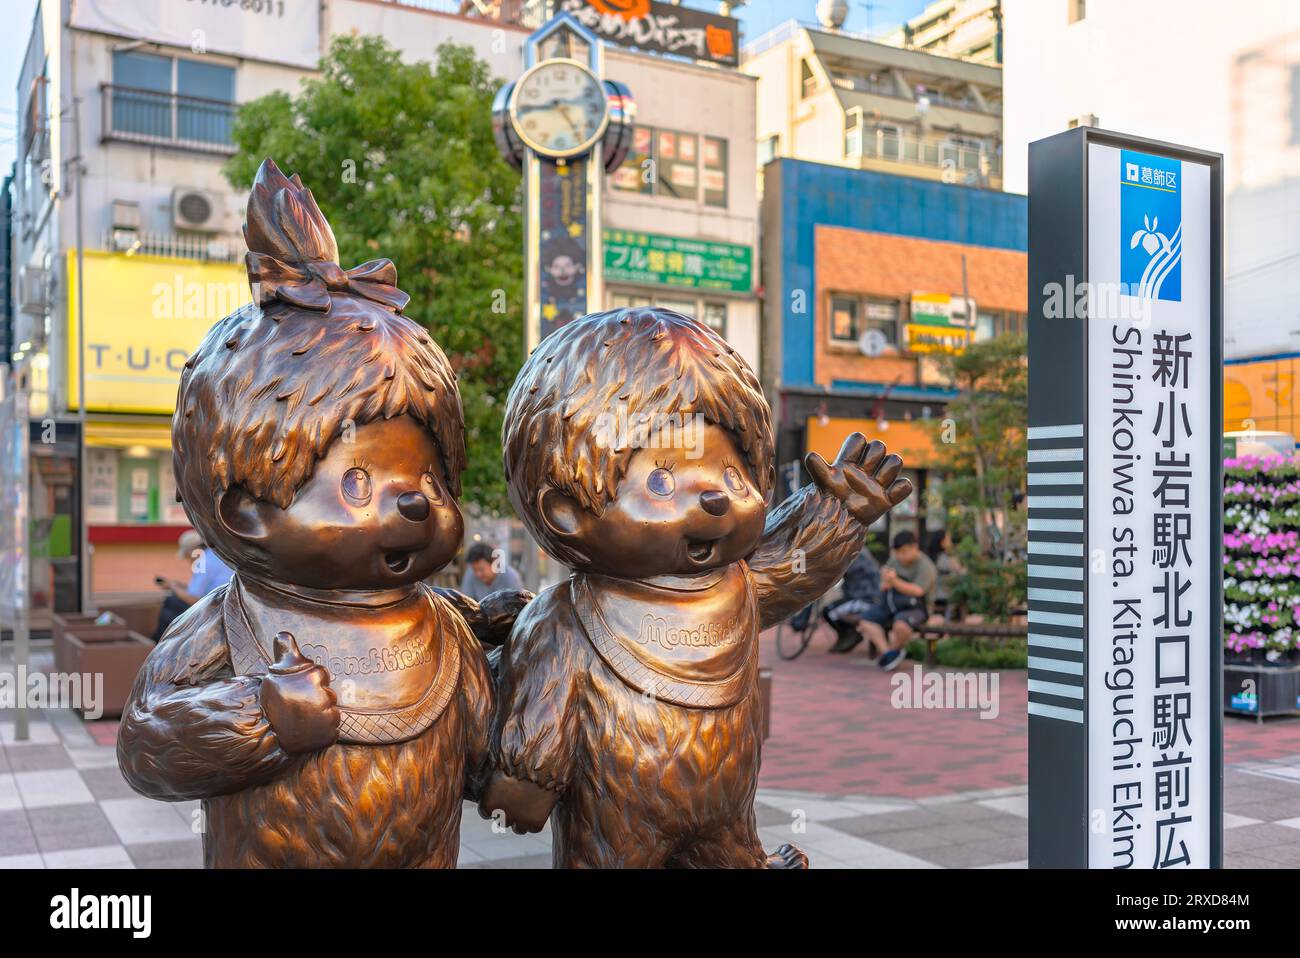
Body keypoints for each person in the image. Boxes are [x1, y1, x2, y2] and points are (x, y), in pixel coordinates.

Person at [853, 530, 937, 671]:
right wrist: (885, 582)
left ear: (915, 547)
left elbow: (918, 591)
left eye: (904, 552)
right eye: (898, 552)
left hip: (917, 608)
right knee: (865, 621)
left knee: (901, 626)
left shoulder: (925, 566)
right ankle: (888, 653)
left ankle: (893, 652)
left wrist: (894, 581)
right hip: (892, 604)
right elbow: (883, 586)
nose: (900, 556)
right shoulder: (894, 560)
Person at [151, 529, 235, 641]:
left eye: (186, 555)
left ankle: (158, 643)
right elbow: (202, 591)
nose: (188, 560)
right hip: (225, 606)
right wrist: (178, 586)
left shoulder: (203, 562)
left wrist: (173, 587)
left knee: (170, 604)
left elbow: (193, 598)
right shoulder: (215, 556)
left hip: (215, 610)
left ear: (193, 551)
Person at [823, 541, 882, 653]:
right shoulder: (857, 548)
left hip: (865, 598)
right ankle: (846, 637)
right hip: (860, 595)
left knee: (830, 612)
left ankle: (851, 635)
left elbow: (836, 572)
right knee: (828, 609)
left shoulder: (854, 552)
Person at [459, 541, 524, 602]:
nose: (478, 574)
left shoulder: (510, 577)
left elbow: (516, 606)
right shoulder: (470, 573)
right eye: (475, 570)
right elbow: (465, 602)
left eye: (481, 569)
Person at [924, 528, 964, 617]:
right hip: (941, 592)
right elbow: (960, 571)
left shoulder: (930, 557)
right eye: (948, 539)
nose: (950, 542)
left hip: (935, 591)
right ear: (942, 542)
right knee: (962, 589)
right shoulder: (942, 558)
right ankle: (949, 620)